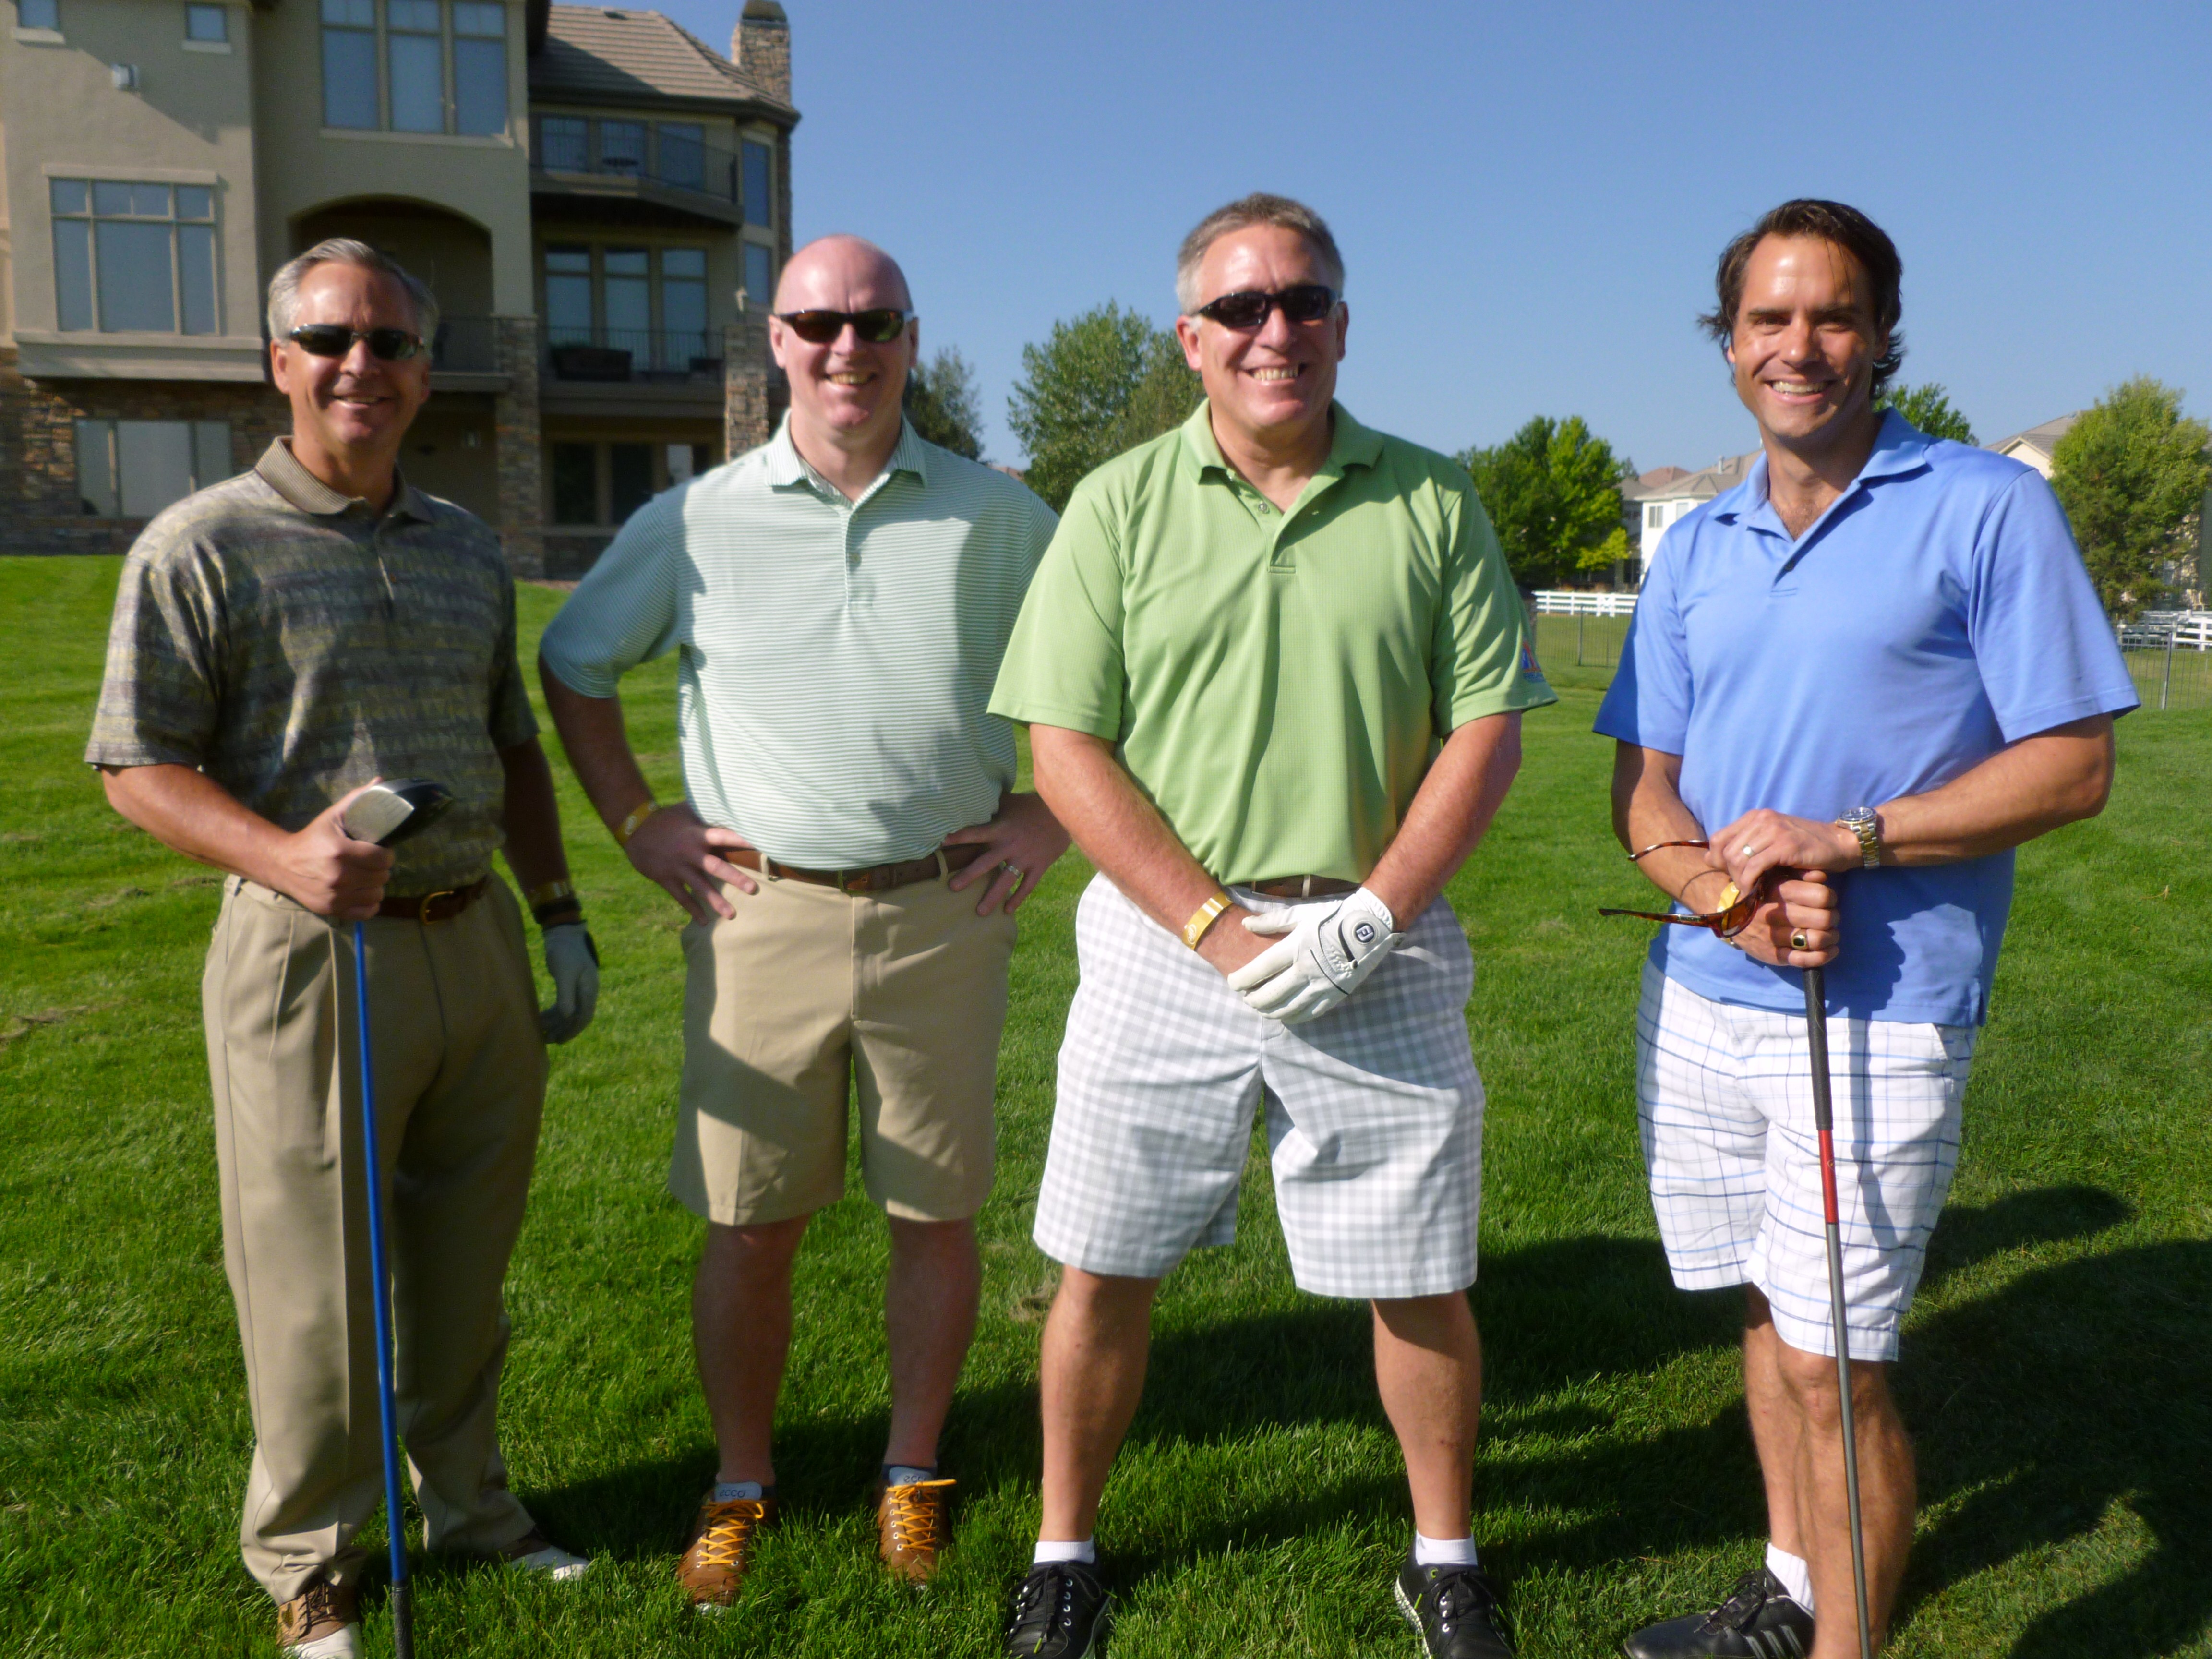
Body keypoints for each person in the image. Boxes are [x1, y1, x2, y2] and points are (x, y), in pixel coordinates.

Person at [986, 193, 1555, 1659]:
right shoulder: (1117, 503)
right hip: (1164, 942)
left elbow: (1487, 728)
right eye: (1239, 308)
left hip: (1380, 940)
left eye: (1302, 302)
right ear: (1192, 339)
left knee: (1419, 1270)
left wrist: (1377, 913)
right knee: (1103, 1260)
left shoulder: (1432, 500)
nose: (1273, 330)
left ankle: (1445, 1559)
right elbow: (1063, 744)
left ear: (1344, 326)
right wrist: (1211, 927)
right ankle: (1063, 1552)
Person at [1598, 199, 2137, 1659]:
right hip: (1703, 998)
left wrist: (1852, 839)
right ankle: (1789, 1596)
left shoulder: (1985, 505)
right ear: (1727, 345)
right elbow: (1644, 784)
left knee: (1835, 1366)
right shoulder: (1697, 541)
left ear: (1884, 335)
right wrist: (1721, 897)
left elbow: (2074, 765)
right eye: (1767, 319)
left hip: (1880, 1011)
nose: (1801, 346)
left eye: (1834, 315)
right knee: (1769, 1323)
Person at [87, 240, 600, 1659]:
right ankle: (310, 1559)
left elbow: (512, 743)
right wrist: (282, 855)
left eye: (390, 342)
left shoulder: (466, 546)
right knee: (312, 1284)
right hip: (310, 953)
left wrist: (559, 912)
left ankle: (473, 1508)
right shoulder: (198, 544)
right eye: (329, 340)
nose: (359, 364)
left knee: (466, 1265)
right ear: (280, 363)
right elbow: (134, 764)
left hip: (473, 939)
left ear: (426, 373)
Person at [536, 234, 1066, 1608]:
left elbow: (1110, 675)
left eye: (876, 322)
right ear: (775, 341)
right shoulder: (697, 520)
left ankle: (912, 1472)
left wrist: (1049, 819)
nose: (848, 348)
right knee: (750, 1224)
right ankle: (740, 1484)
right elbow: (575, 660)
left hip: (941, 911)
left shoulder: (1001, 517)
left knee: (935, 1215)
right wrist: (638, 823)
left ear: (911, 339)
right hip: (759, 914)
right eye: (818, 323)